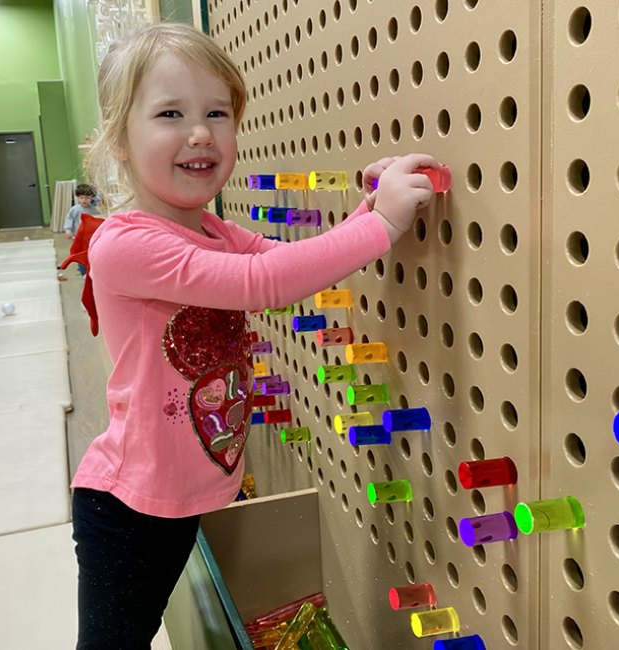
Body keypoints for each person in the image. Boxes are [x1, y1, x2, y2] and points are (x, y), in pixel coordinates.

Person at [72, 22, 441, 649]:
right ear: (119, 140)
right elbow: (262, 282)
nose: (200, 133)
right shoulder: (124, 244)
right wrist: (380, 226)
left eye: (218, 112)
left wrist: (371, 206)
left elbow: (285, 263)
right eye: (170, 113)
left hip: (177, 501)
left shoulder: (211, 230)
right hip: (129, 512)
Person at [63, 183, 101, 276]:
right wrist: (68, 230)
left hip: (90, 237)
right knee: (80, 254)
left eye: (87, 198)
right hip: (78, 237)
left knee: (89, 253)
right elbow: (69, 219)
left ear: (92, 198)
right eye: (81, 197)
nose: (84, 200)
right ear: (78, 197)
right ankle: (83, 272)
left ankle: (88, 269)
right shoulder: (75, 209)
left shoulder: (94, 210)